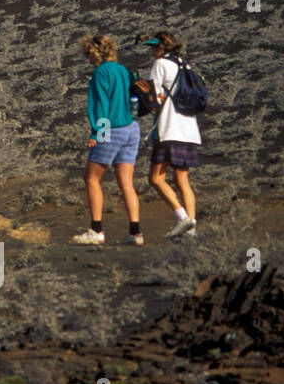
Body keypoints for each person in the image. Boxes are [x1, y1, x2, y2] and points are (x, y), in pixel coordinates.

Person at [71, 35, 143, 246]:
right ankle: (136, 232)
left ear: (94, 52)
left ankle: (96, 230)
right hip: (131, 129)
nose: (87, 58)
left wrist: (96, 135)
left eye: (87, 54)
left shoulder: (101, 73)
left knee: (92, 178)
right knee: (127, 183)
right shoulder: (123, 70)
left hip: (111, 130)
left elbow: (101, 105)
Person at [140, 32, 200, 238]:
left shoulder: (160, 65)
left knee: (156, 178)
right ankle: (191, 229)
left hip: (169, 128)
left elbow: (153, 96)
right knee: (182, 179)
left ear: (162, 48)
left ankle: (181, 216)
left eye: (155, 48)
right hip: (190, 129)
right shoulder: (184, 65)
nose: (152, 51)